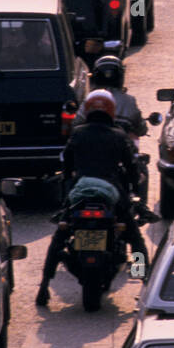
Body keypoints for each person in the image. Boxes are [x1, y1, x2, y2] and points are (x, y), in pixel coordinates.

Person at [36, 90, 146, 306]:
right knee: (135, 238)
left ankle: (43, 288)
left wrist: (69, 181)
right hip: (113, 195)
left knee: (59, 236)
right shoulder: (119, 136)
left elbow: (67, 165)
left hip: (80, 193)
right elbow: (132, 169)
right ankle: (145, 282)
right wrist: (134, 185)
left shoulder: (77, 133)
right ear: (112, 111)